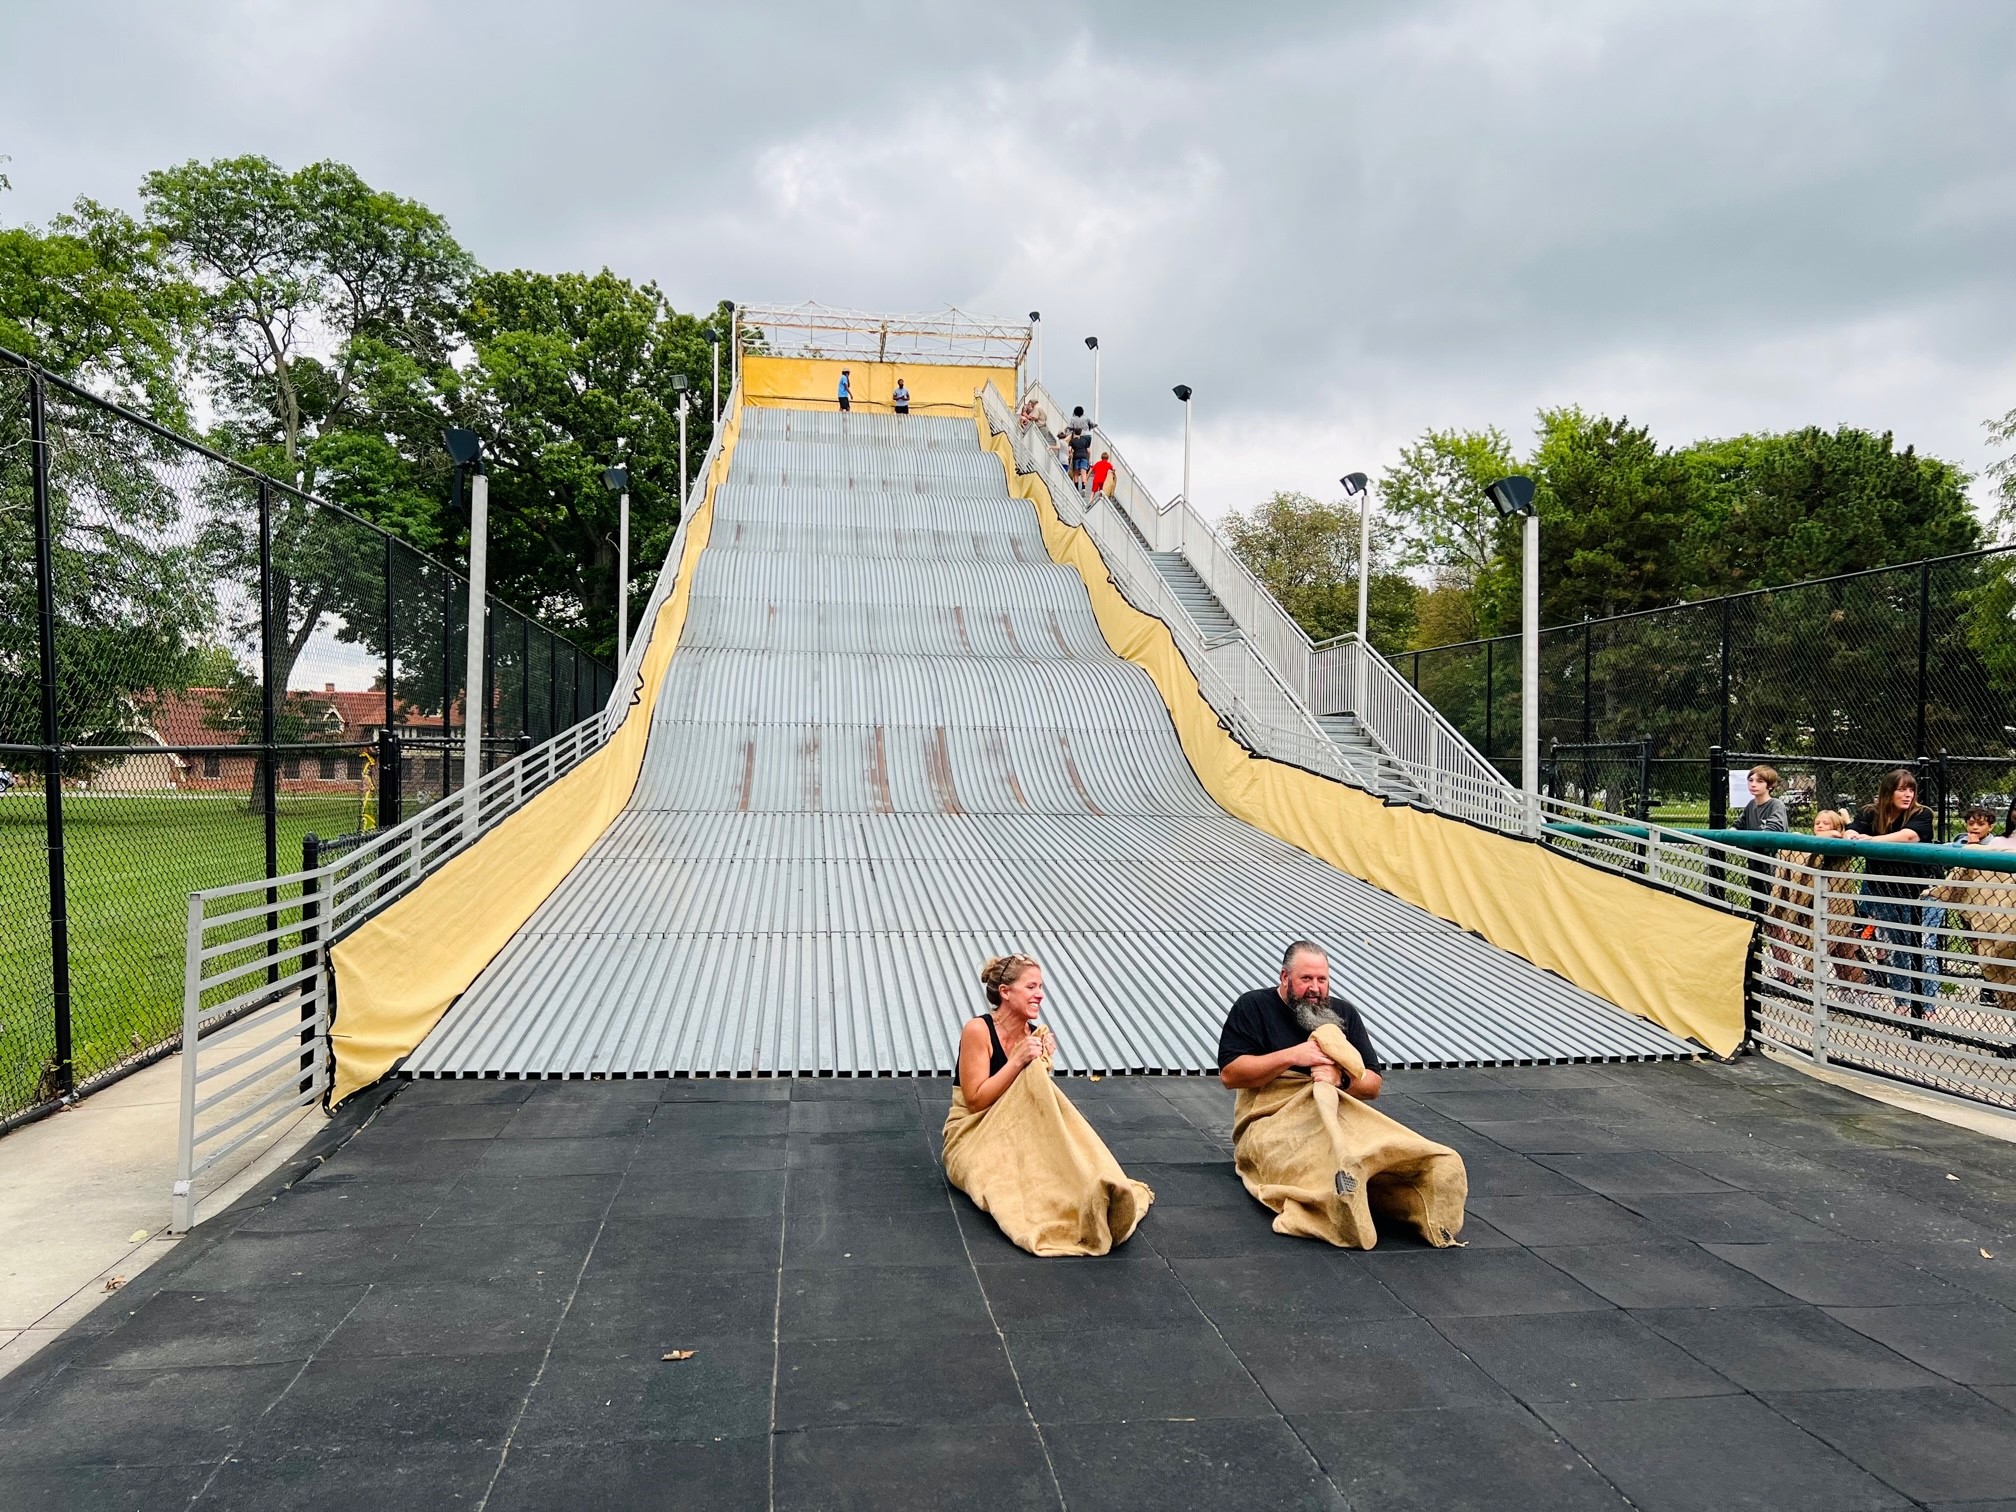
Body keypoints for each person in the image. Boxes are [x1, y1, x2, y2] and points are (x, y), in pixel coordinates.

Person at [1217, 941, 1466, 1249]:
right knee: (1315, 1161)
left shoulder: (1343, 1013)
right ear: (1284, 977)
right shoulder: (1253, 1006)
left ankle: (1424, 1199)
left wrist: (1340, 1079)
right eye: (1306, 979)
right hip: (1273, 1116)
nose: (1315, 988)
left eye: (1322, 980)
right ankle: (1340, 1201)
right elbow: (1231, 1074)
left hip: (1335, 1106)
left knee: (1386, 1146)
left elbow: (1372, 1084)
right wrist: (1294, 1055)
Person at [941, 954, 1153, 1256]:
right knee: (1008, 1185)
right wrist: (1017, 1061)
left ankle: (1092, 1193)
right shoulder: (978, 1030)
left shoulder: (1032, 1034)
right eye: (1031, 986)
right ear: (1005, 992)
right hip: (973, 1132)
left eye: (1040, 986)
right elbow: (975, 1101)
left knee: (1056, 1169)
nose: (1040, 994)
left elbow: (1028, 1099)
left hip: (1015, 1130)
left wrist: (1042, 1064)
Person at [1848, 768, 1938, 1018]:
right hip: (1885, 890)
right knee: (1899, 948)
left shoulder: (1922, 813)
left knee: (1926, 948)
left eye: (1911, 789)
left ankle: (1927, 1007)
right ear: (1888, 792)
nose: (1908, 794)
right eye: (1901, 789)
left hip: (1923, 892)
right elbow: (1852, 830)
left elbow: (1910, 837)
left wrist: (1871, 841)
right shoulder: (1870, 813)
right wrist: (1850, 834)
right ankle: (1903, 1002)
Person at [1065, 405, 1092, 489]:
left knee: (1076, 472)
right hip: (1087, 437)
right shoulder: (1086, 417)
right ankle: (1087, 463)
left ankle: (1076, 488)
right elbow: (1091, 424)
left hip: (1076, 454)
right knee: (1086, 449)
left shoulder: (1073, 419)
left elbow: (1070, 427)